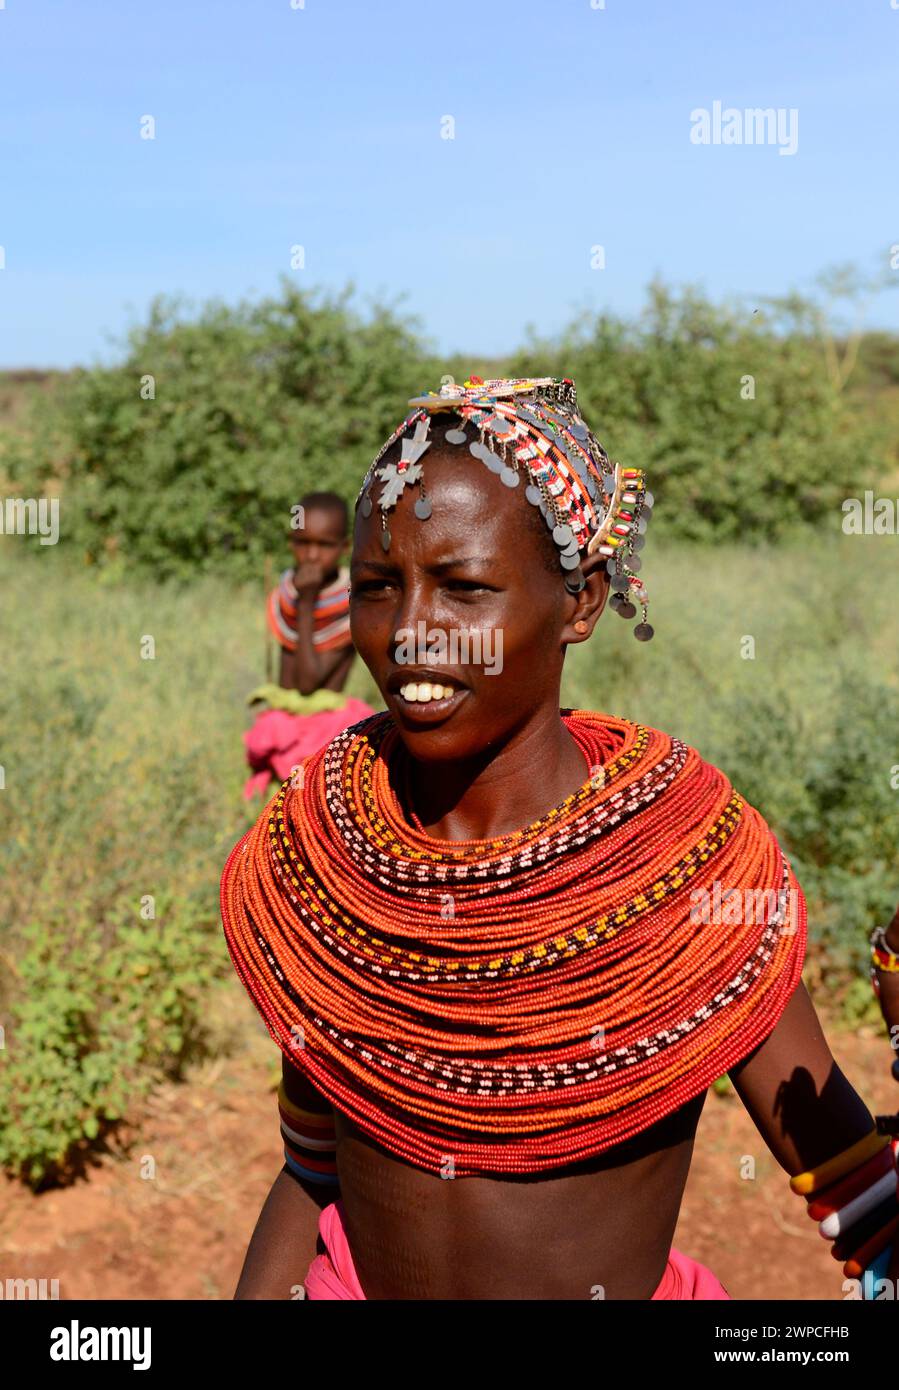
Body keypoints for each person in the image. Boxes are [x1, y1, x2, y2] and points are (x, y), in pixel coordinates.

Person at [221, 376, 898, 1299]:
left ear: (579, 603)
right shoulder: (323, 844)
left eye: (463, 589)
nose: (412, 634)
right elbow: (312, 1165)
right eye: (380, 587)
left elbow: (851, 1180)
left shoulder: (680, 859)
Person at [243, 491, 374, 799]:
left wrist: (307, 602)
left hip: (322, 729)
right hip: (283, 727)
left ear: (344, 548)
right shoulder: (288, 590)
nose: (312, 555)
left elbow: (306, 684)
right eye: (303, 543)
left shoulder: (349, 602)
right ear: (291, 543)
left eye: (324, 545)